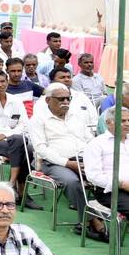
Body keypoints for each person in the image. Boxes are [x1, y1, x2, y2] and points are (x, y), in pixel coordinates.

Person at [27, 84, 107, 241]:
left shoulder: (75, 116)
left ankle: (112, 216)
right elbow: (41, 149)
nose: (65, 102)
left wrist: (93, 158)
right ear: (48, 100)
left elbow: (89, 139)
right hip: (53, 163)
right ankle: (92, 221)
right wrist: (68, 163)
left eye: (68, 98)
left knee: (110, 175)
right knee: (72, 182)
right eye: (61, 99)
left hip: (83, 159)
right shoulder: (38, 120)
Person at [0, 70, 40, 208]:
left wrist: (4, 134)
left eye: (3, 81)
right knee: (26, 150)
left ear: (7, 81)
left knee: (20, 143)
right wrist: (7, 134)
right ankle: (21, 192)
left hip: (9, 140)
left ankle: (12, 185)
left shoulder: (15, 100)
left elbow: (24, 124)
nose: (0, 85)